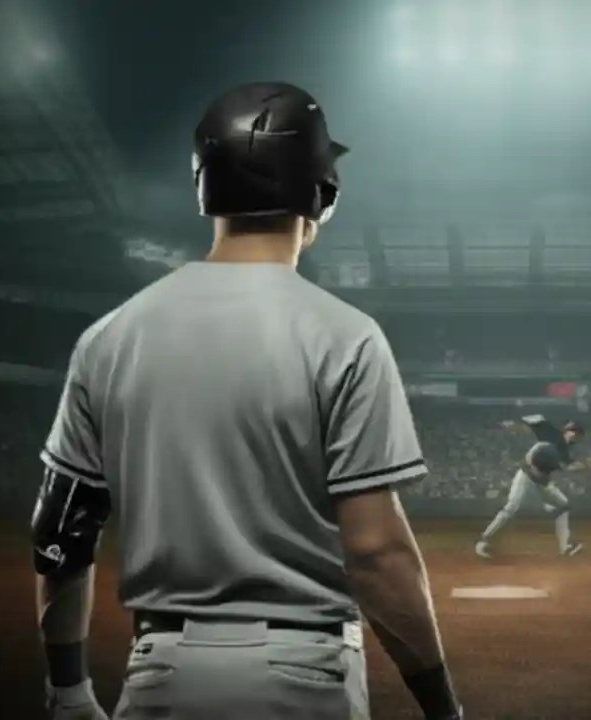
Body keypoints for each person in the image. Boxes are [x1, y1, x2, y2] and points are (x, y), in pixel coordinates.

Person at [30, 82, 462, 720]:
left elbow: (60, 534)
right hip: (304, 676)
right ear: (322, 194)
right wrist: (442, 710)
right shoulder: (344, 336)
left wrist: (69, 691)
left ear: (205, 186)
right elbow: (374, 552)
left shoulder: (110, 337)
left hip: (161, 675)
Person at [474, 415, 591, 559]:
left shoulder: (564, 450)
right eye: (575, 434)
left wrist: (586, 465)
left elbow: (568, 467)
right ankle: (484, 539)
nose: (575, 438)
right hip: (526, 475)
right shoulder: (551, 433)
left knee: (563, 505)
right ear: (569, 431)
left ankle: (565, 547)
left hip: (543, 483)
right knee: (511, 507)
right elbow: (532, 422)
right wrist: (511, 424)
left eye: (577, 436)